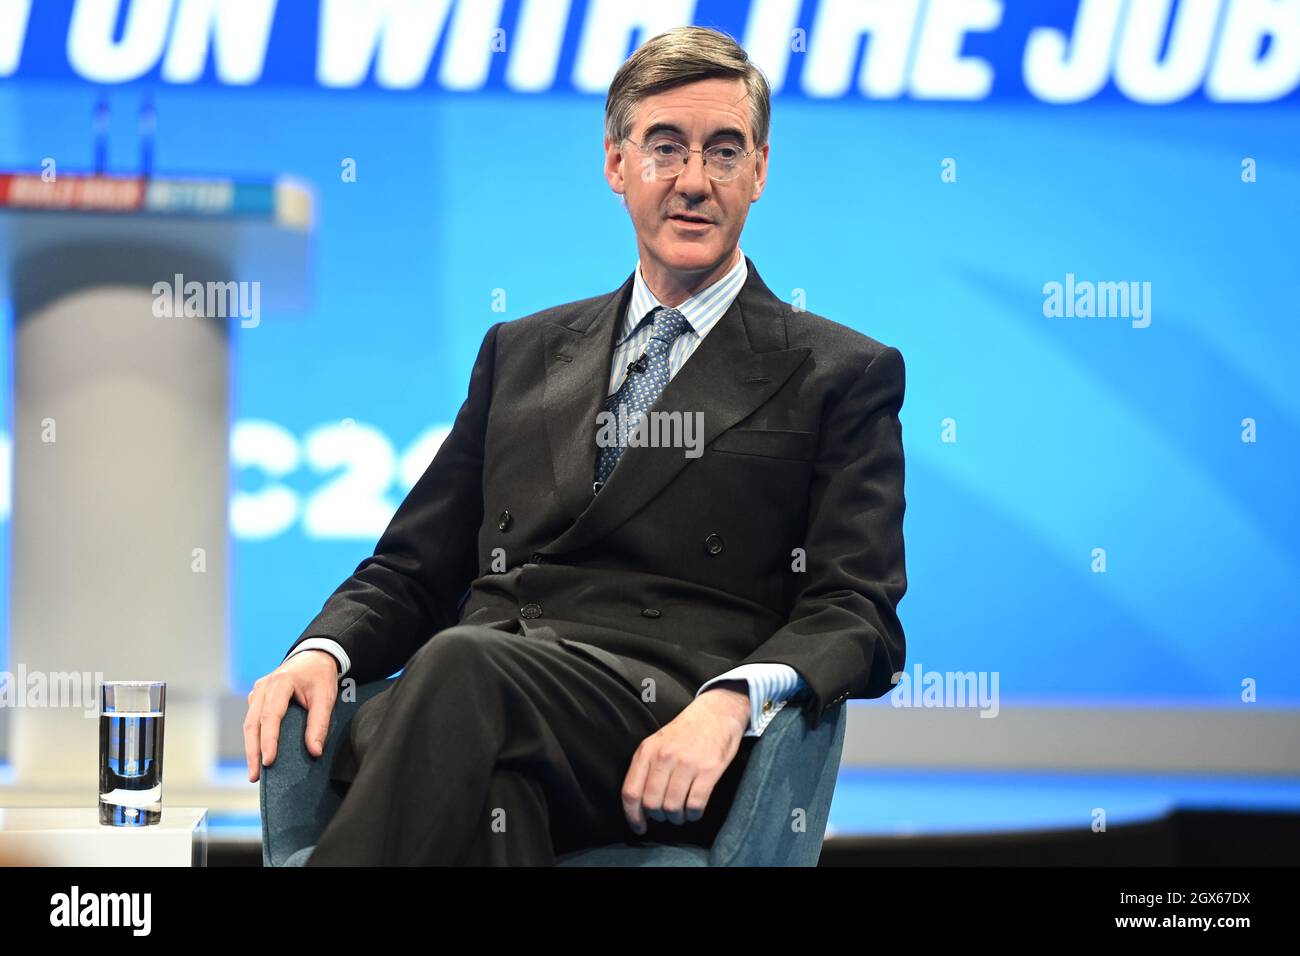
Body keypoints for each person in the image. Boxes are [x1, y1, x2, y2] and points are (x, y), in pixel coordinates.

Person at [243, 24, 907, 866]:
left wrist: (728, 706)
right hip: (488, 716)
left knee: (459, 670)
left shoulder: (837, 372)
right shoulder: (521, 352)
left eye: (725, 152)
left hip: (657, 720)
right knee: (493, 797)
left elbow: (860, 611)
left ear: (761, 171)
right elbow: (413, 568)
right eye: (665, 148)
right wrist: (322, 650)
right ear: (616, 164)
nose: (695, 181)